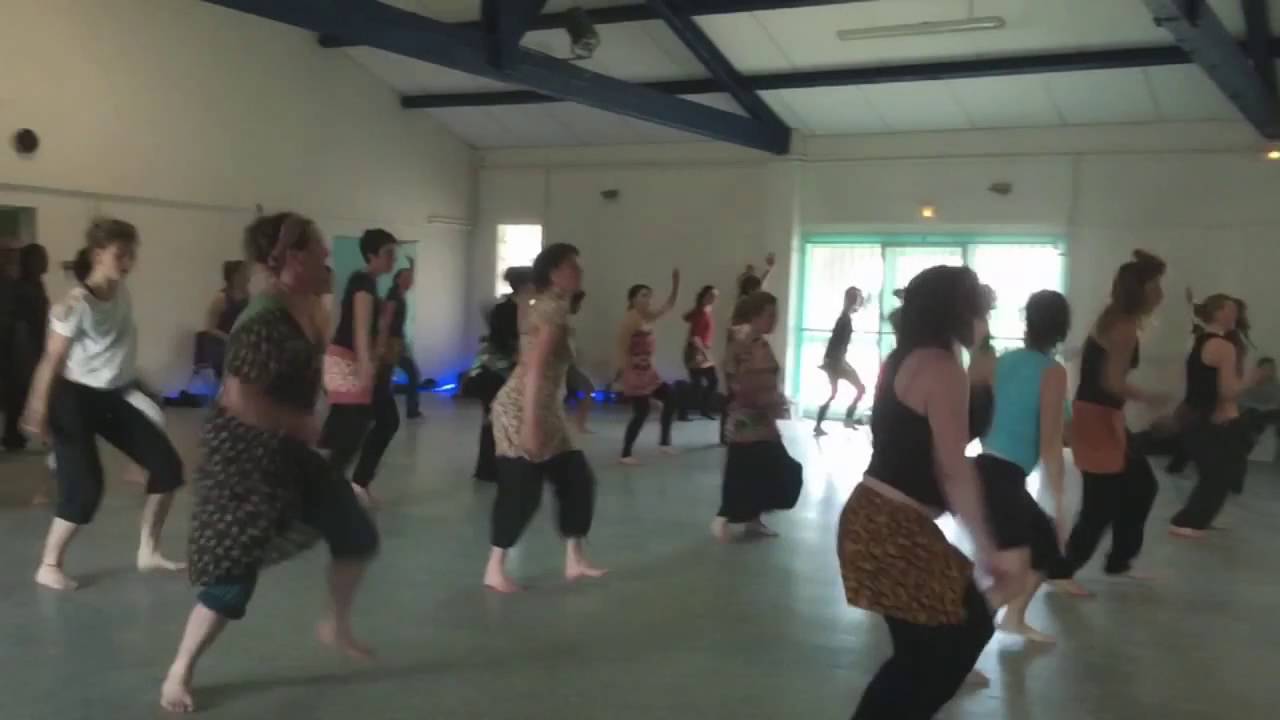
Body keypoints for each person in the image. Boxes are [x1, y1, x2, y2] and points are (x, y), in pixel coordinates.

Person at [159, 212, 378, 713]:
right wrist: (301, 424)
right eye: (320, 248)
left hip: (289, 451)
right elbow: (238, 397)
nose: (328, 257)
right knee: (231, 584)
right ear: (293, 259)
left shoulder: (301, 304)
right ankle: (180, 670)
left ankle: (334, 625)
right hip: (247, 460)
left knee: (356, 533)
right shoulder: (262, 320)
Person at [838, 265, 1022, 720]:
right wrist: (986, 549)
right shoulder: (941, 368)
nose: (986, 316)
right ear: (959, 312)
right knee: (958, 630)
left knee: (922, 648)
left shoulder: (907, 357)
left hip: (878, 520)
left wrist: (980, 379)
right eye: (981, 308)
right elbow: (954, 468)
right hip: (888, 526)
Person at [20, 219, 185, 591]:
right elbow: (51, 361)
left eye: (132, 254)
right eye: (120, 254)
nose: (128, 262)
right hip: (72, 398)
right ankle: (48, 564)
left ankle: (148, 551)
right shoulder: (75, 306)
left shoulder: (121, 291)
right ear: (99, 255)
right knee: (86, 490)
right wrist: (37, 408)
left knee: (167, 468)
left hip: (111, 395)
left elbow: (115, 352)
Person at [483, 243, 606, 593]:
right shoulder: (551, 310)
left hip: (545, 407)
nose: (579, 272)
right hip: (523, 407)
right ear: (554, 273)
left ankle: (574, 558)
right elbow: (534, 370)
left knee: (577, 479)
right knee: (522, 490)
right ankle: (494, 567)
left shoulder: (551, 307)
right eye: (572, 266)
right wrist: (531, 425)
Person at [1055, 250, 1167, 595]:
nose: (1161, 293)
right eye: (1156, 286)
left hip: (1102, 415)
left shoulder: (1115, 318)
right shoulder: (1123, 327)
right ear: (1143, 290)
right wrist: (1150, 398)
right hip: (1097, 418)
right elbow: (1112, 382)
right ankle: (1062, 571)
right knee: (1101, 502)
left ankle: (1120, 559)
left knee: (1141, 485)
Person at [976, 290, 1073, 642]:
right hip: (1002, 477)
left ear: (1027, 322)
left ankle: (1013, 618)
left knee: (1044, 548)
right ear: (1062, 330)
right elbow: (1050, 442)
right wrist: (1059, 504)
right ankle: (961, 633)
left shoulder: (1005, 361)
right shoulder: (1053, 372)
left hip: (988, 469)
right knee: (1015, 570)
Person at [712, 291, 802, 541]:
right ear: (755, 316)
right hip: (747, 421)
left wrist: (776, 400)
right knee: (747, 470)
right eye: (770, 315)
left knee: (765, 470)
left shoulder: (758, 341)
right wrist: (760, 400)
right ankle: (724, 517)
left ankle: (753, 519)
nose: (774, 320)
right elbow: (736, 378)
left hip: (763, 419)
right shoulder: (742, 341)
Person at [1170, 294, 1262, 537]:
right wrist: (1252, 380)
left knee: (1220, 472)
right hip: (1209, 420)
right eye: (1231, 310)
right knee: (1218, 474)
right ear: (1218, 313)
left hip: (1199, 418)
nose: (1236, 316)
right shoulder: (1223, 347)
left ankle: (1193, 519)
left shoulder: (1201, 340)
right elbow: (1227, 391)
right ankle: (1187, 522)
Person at [320, 229, 399, 506]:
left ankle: (356, 483)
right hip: (347, 363)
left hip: (357, 361)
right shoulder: (362, 282)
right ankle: (326, 492)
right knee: (349, 432)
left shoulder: (369, 284)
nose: (394, 259)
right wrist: (366, 366)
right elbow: (360, 329)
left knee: (385, 419)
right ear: (371, 255)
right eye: (388, 253)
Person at [468, 266, 534, 482]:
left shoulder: (523, 309)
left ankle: (500, 465)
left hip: (508, 371)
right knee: (493, 418)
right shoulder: (505, 310)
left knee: (505, 419)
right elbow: (503, 342)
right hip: (495, 372)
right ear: (524, 286)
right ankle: (488, 469)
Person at [617, 270, 681, 464]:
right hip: (635, 372)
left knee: (670, 398)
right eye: (643, 295)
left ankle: (664, 442)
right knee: (642, 412)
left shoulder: (646, 317)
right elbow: (621, 346)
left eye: (649, 296)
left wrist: (675, 284)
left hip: (648, 371)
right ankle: (625, 454)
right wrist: (623, 373)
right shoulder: (631, 318)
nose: (648, 299)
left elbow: (668, 306)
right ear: (633, 299)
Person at [3, 242, 49, 451]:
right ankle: (13, 436)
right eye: (40, 259)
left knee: (20, 394)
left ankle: (15, 436)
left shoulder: (35, 285)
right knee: (18, 393)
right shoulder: (20, 288)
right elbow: (17, 322)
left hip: (32, 345)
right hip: (21, 349)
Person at [814, 286, 867, 436]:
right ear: (852, 300)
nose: (860, 302)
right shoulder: (844, 319)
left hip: (836, 360)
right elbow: (836, 342)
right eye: (857, 298)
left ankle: (821, 425)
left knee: (834, 393)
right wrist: (833, 362)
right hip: (836, 361)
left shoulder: (845, 317)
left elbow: (835, 341)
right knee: (856, 389)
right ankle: (847, 419)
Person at [385, 261, 422, 420]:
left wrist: (413, 265)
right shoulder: (393, 296)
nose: (409, 281)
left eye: (410, 278)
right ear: (397, 280)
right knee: (411, 374)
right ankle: (411, 411)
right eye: (405, 278)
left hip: (398, 341)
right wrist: (384, 344)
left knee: (392, 376)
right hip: (391, 342)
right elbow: (385, 320)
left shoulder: (399, 293)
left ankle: (411, 410)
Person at [202, 260, 250, 376]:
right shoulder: (221, 298)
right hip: (223, 346)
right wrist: (229, 338)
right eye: (243, 273)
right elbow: (210, 328)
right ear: (234, 276)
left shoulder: (249, 297)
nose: (246, 276)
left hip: (241, 345)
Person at [681, 285, 720, 422]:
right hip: (696, 352)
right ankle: (684, 410)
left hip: (700, 351)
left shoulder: (703, 310)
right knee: (701, 384)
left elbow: (685, 317)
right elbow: (695, 337)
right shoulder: (701, 313)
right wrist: (705, 353)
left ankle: (701, 409)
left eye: (715, 297)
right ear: (704, 296)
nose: (713, 299)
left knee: (707, 383)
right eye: (711, 296)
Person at [565, 290, 595, 434]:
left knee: (588, 390)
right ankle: (578, 425)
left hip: (568, 365)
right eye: (578, 303)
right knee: (587, 390)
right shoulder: (559, 318)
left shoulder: (566, 319)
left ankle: (579, 425)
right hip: (562, 366)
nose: (580, 307)